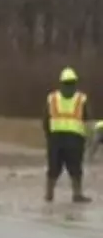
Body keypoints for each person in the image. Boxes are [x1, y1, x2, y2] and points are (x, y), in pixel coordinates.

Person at [43, 67, 92, 203]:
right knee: (75, 168)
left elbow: (46, 120)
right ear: (75, 82)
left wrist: (49, 135)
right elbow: (86, 117)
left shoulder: (52, 98)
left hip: (55, 139)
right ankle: (77, 194)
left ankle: (49, 194)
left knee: (53, 167)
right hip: (75, 138)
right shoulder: (81, 98)